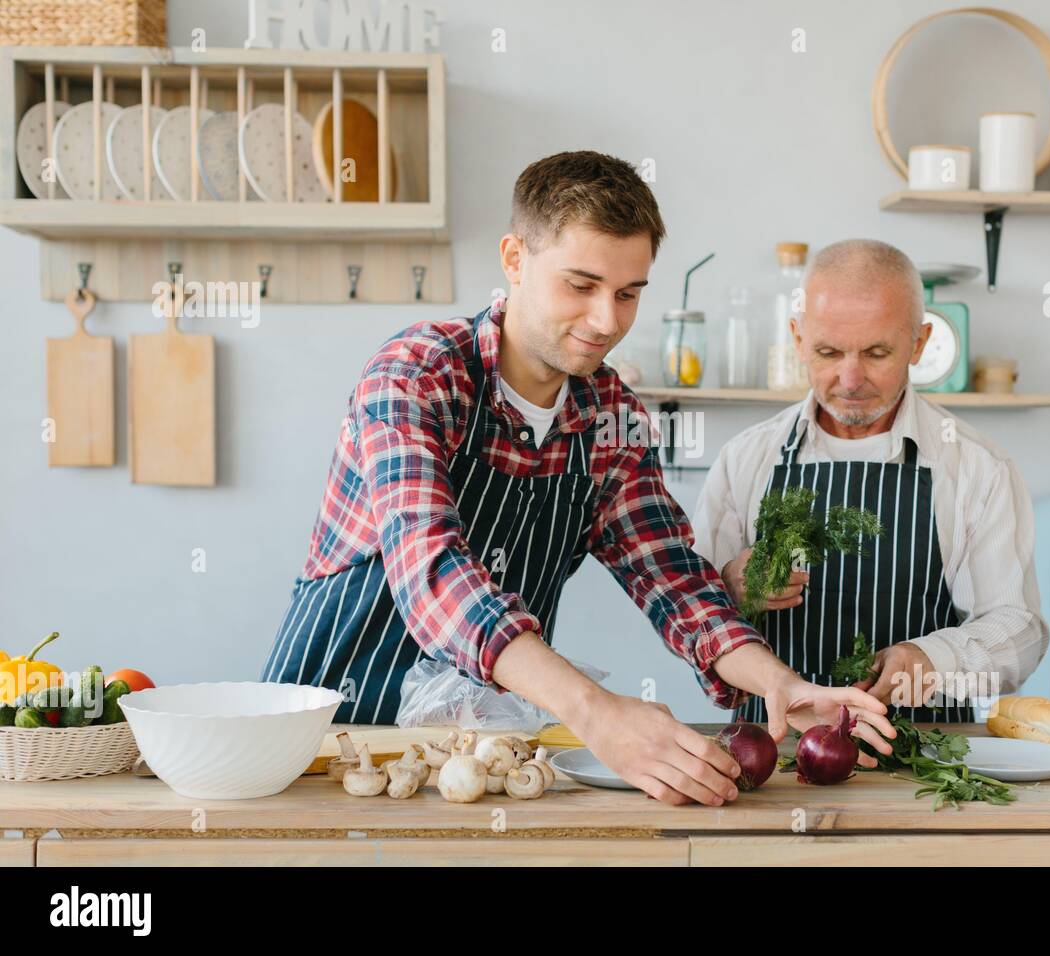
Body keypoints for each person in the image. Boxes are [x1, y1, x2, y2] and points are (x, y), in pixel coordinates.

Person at [260, 153, 896, 805]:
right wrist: (595, 713)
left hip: (479, 761)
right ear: (515, 259)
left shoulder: (609, 415)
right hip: (325, 751)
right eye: (581, 285)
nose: (606, 321)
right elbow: (431, 572)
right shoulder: (416, 379)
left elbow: (670, 575)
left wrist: (776, 682)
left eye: (628, 294)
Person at [693, 240, 1049, 724]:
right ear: (797, 339)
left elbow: (1018, 629)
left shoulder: (977, 467)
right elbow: (689, 616)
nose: (851, 377)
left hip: (927, 770)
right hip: (773, 761)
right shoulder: (743, 460)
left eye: (877, 352)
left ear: (918, 343)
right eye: (828, 351)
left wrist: (934, 661)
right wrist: (730, 587)